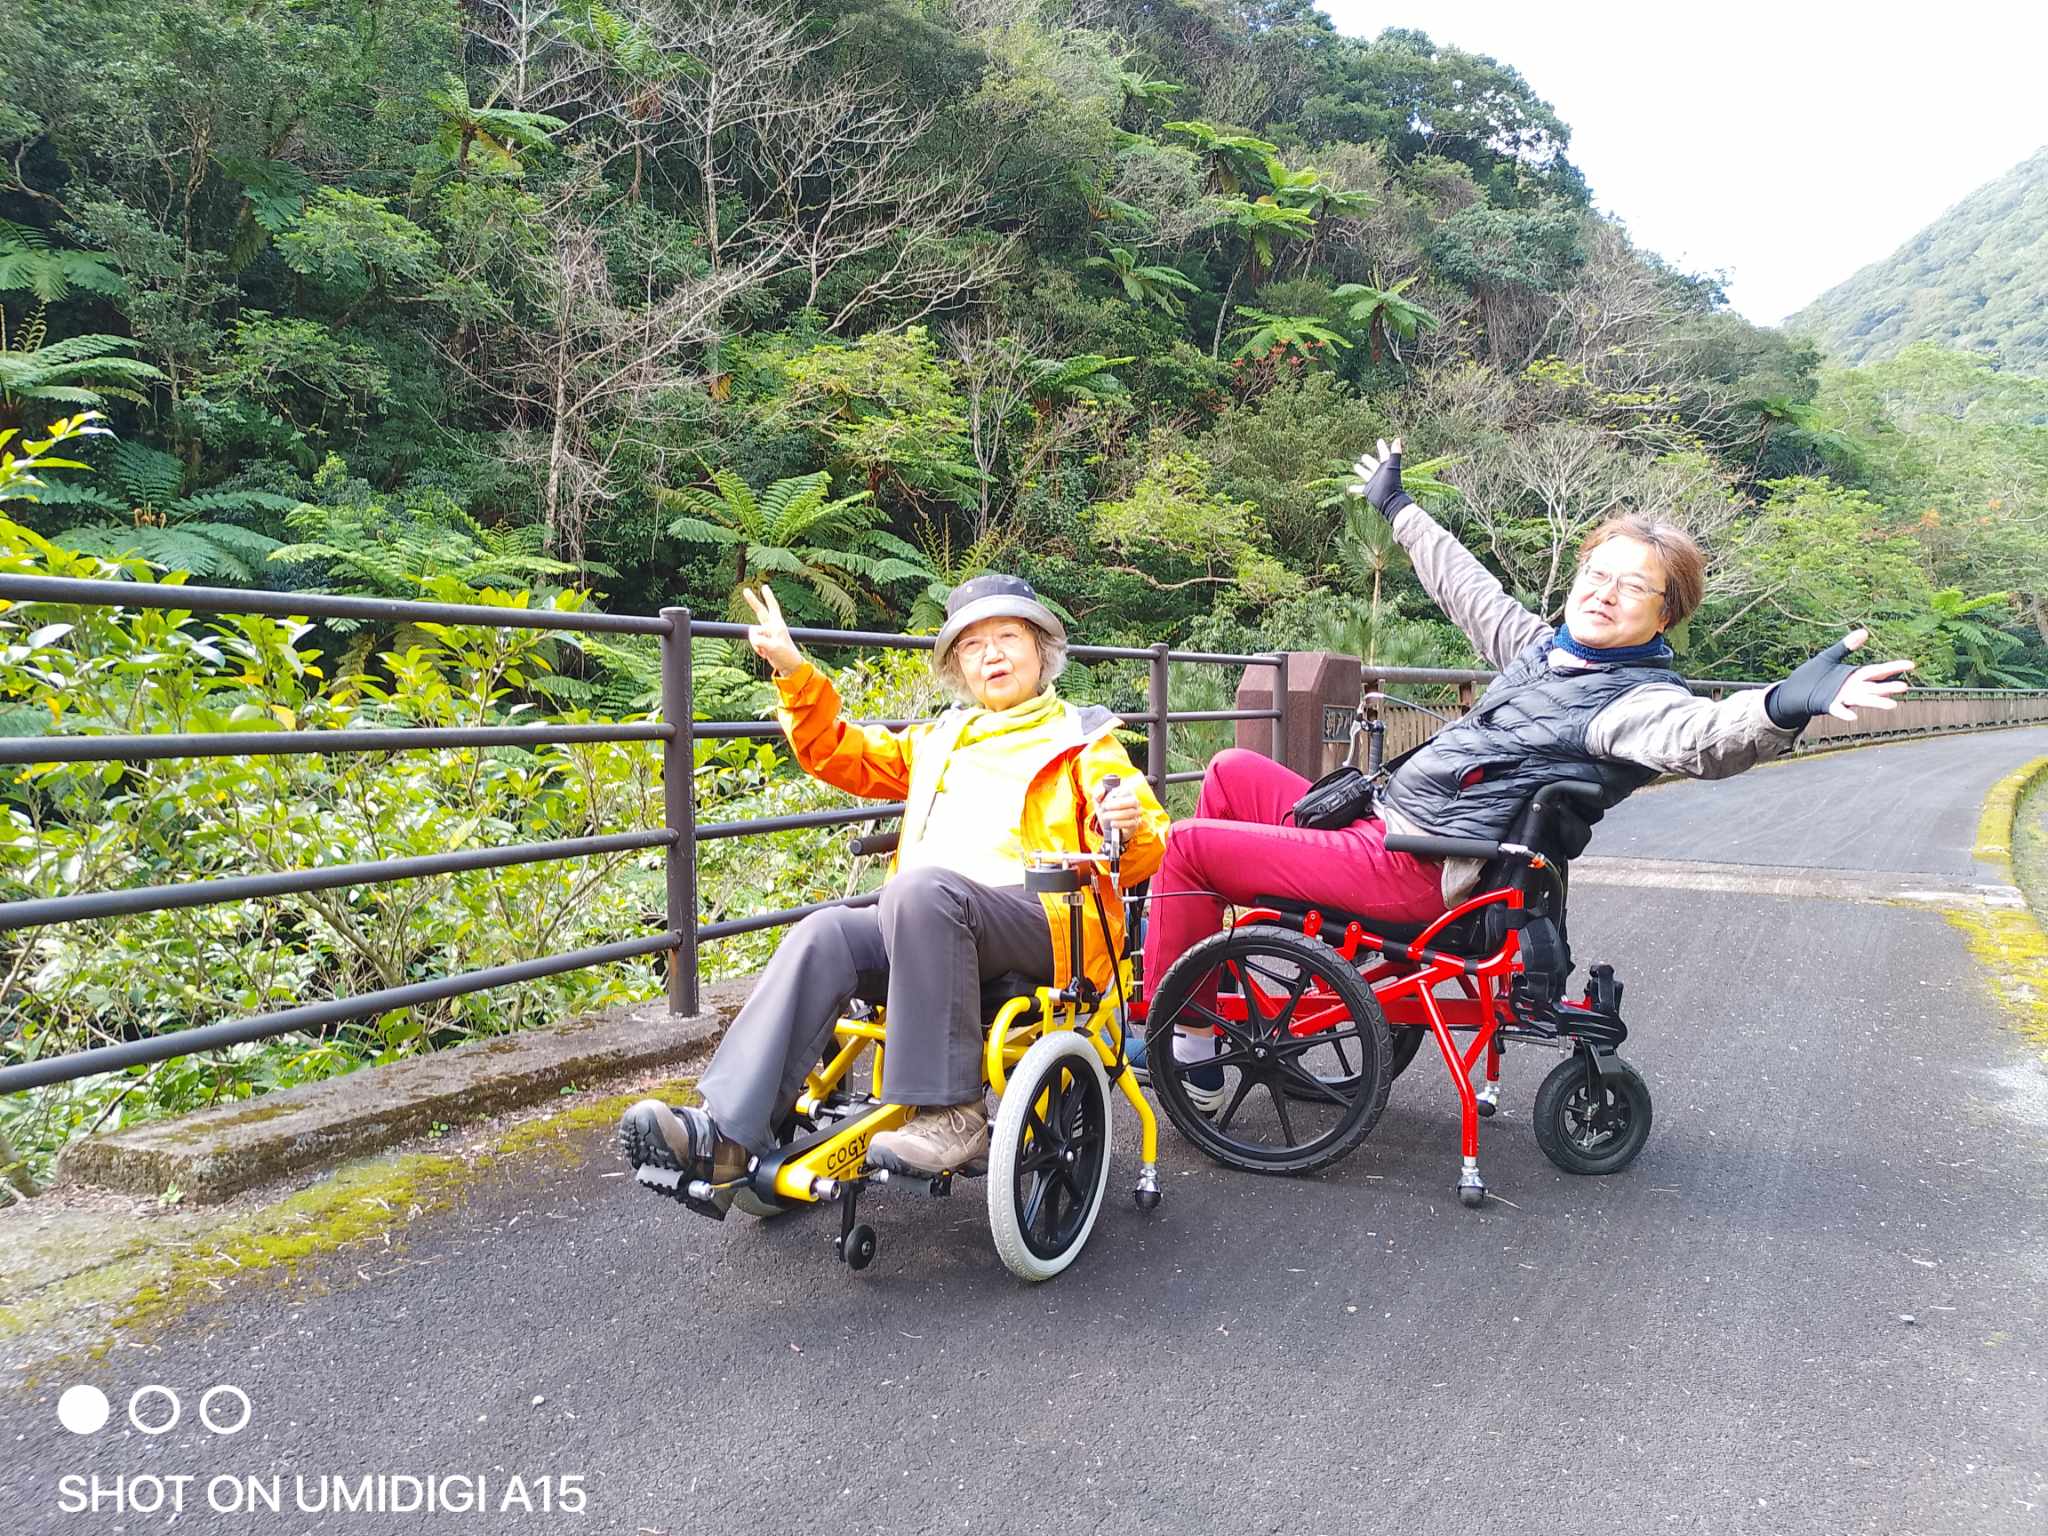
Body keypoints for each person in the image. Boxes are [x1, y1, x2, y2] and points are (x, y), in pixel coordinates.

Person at [1143, 437, 1915, 1099]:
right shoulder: (1548, 654)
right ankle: (1215, 978)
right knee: (1231, 772)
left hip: (1417, 865)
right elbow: (1469, 590)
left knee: (1187, 845)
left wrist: (1780, 707)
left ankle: (1184, 1046)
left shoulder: (1632, 699)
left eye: (1633, 586)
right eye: (1596, 575)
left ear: (1665, 613)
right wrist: (1398, 508)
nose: (1605, 593)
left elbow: (1702, 737)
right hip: (1392, 823)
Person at [620, 575, 1170, 1202]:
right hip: (928, 920)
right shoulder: (939, 740)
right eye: (972, 646)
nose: (991, 654)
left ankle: (951, 1114)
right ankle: (725, 1136)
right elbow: (839, 752)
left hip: (1040, 920)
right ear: (958, 667)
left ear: (1042, 650)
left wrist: (1121, 818)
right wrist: (794, 669)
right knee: (826, 931)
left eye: (1008, 637)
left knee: (921, 891)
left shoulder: (1084, 740)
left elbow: (1142, 836)